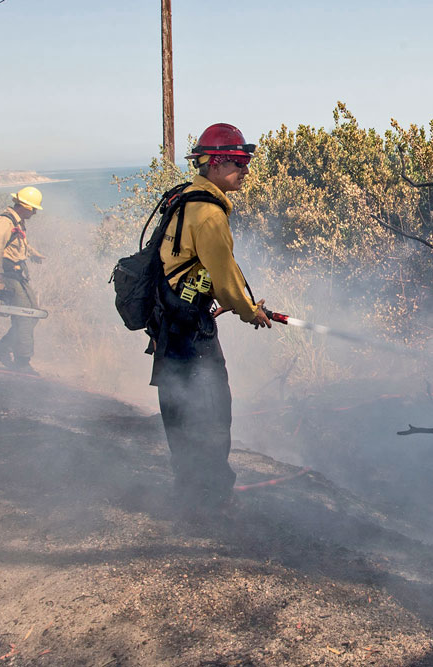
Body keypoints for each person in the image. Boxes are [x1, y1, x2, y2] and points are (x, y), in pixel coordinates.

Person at [149, 122, 272, 520]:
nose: (245, 171)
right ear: (215, 164)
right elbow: (224, 273)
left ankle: (187, 495)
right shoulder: (209, 214)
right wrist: (248, 309)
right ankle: (213, 501)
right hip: (191, 331)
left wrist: (231, 300)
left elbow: (201, 269)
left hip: (170, 326)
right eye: (238, 162)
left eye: (246, 162)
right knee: (213, 412)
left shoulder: (185, 198)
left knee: (180, 413)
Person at [0, 186, 46, 374]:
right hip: (7, 274)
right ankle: (22, 362)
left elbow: (20, 243)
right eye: (33, 208)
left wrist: (34, 254)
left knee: (34, 313)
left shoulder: (17, 222)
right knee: (24, 316)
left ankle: (1, 349)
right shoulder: (4, 222)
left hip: (18, 274)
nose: (35, 212)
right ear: (24, 206)